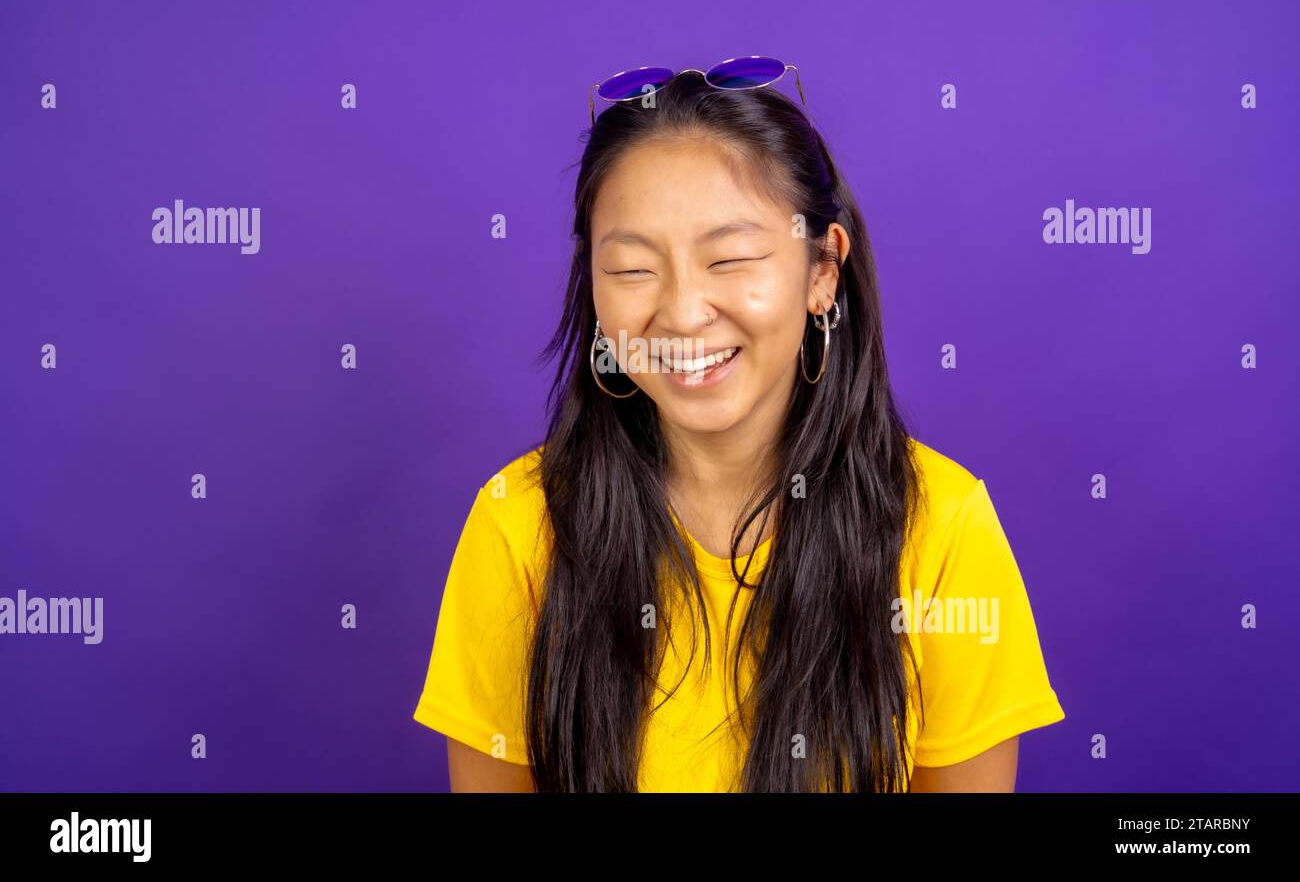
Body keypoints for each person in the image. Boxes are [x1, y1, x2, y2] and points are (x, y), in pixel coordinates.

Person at [413, 60, 1065, 792]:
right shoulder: (518, 524)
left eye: (731, 258)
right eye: (631, 269)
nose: (684, 313)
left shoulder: (943, 529)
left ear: (823, 270)